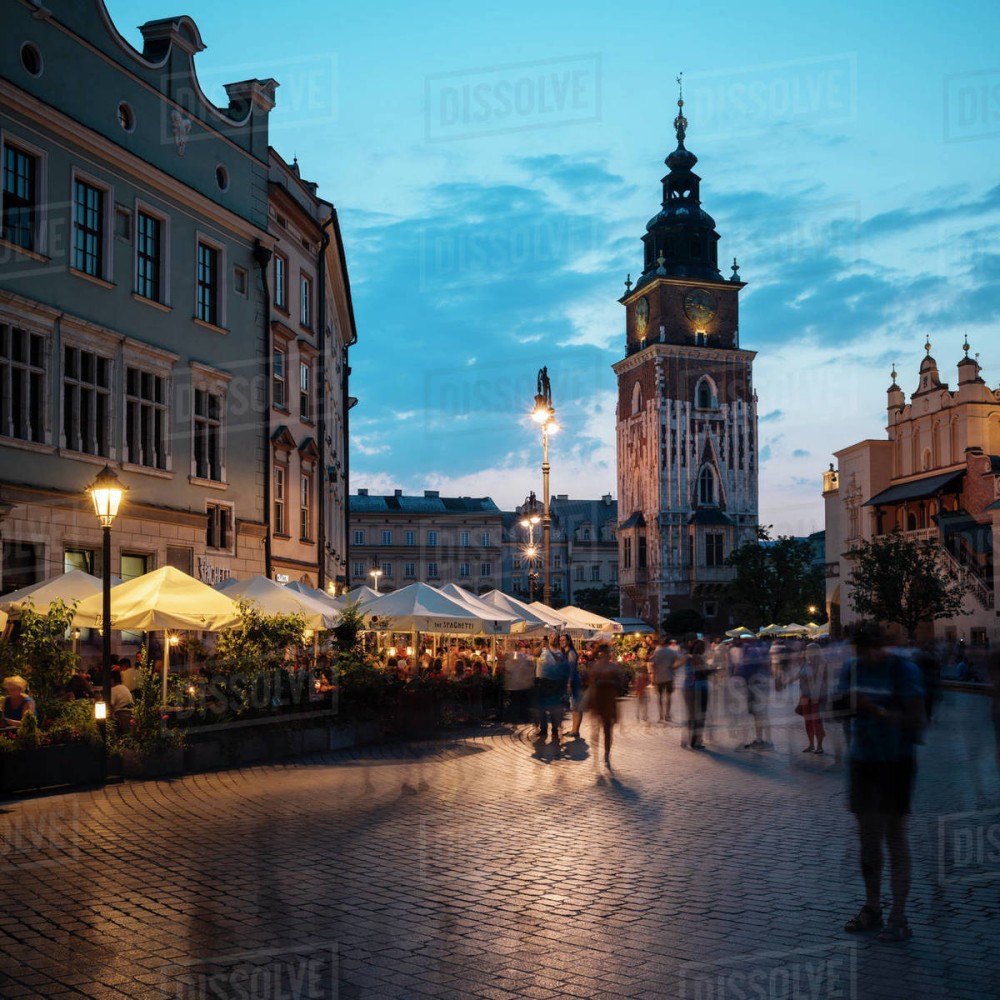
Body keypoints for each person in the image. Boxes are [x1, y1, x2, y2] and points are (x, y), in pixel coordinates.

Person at [834, 626, 925, 943]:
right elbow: (837, 711)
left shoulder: (904, 670)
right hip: (863, 760)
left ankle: (899, 916)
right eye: (860, 650)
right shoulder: (851, 668)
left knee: (894, 837)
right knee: (867, 839)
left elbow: (918, 722)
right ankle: (872, 906)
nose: (868, 656)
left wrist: (877, 710)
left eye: (873, 648)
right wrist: (844, 703)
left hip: (895, 761)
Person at [588, 642, 625, 765]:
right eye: (603, 653)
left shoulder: (613, 667)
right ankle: (597, 753)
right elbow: (591, 684)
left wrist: (610, 683)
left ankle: (606, 753)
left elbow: (621, 684)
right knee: (596, 728)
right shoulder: (596, 667)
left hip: (608, 700)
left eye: (607, 653)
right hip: (598, 699)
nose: (605, 655)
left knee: (607, 728)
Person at [534, 635, 570, 744]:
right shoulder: (543, 649)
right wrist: (541, 645)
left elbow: (560, 662)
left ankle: (555, 729)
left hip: (554, 682)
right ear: (549, 639)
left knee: (554, 706)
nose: (553, 640)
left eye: (555, 638)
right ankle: (543, 729)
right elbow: (535, 653)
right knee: (541, 707)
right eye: (551, 638)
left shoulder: (560, 652)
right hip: (541, 680)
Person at [681, 636, 711, 749]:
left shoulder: (687, 657)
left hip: (688, 687)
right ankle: (696, 740)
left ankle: (689, 739)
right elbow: (702, 671)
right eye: (703, 647)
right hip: (699, 686)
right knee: (700, 714)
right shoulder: (697, 658)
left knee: (691, 714)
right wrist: (712, 670)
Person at [798, 643, 827, 754]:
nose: (806, 652)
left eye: (808, 650)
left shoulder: (821, 663)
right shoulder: (806, 663)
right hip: (805, 695)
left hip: (817, 696)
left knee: (817, 722)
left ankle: (820, 746)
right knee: (808, 721)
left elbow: (823, 680)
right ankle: (811, 745)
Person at [651, 637, 682, 722]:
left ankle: (661, 715)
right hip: (669, 676)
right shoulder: (672, 652)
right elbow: (682, 659)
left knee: (660, 696)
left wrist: (653, 677)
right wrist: (674, 667)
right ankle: (667, 715)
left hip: (659, 677)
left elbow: (652, 663)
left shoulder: (657, 652)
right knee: (668, 696)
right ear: (668, 644)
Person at [559, 634, 583, 737]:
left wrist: (569, 683)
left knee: (576, 706)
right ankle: (574, 730)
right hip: (572, 681)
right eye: (560, 640)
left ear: (569, 641)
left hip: (574, 681)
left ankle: (575, 731)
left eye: (564, 640)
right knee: (574, 707)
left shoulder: (571, 653)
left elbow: (572, 670)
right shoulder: (566, 652)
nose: (562, 642)